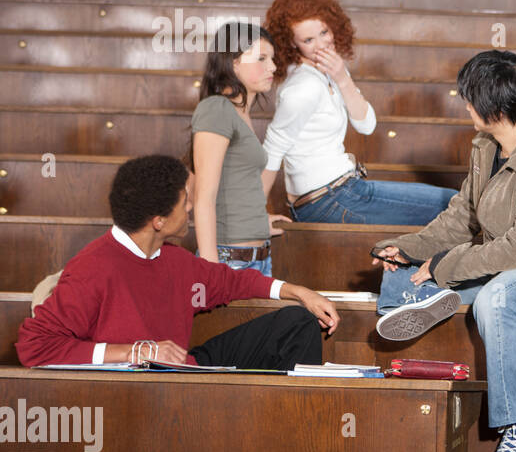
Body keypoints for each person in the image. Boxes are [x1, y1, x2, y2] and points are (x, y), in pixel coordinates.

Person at [367, 51, 516, 452]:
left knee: (495, 299)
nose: (465, 105)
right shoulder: (486, 147)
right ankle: (419, 299)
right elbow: (462, 216)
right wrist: (410, 248)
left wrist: (447, 265)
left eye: (470, 98)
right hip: (509, 258)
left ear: (500, 108)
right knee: (405, 276)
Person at [16, 155, 339, 369]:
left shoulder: (173, 259)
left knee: (295, 323)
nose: (190, 208)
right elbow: (36, 347)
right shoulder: (93, 268)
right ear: (158, 220)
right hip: (133, 387)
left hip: (180, 370)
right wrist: (137, 351)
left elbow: (231, 281)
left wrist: (299, 292)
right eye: (185, 201)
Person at [261, 0, 456, 224]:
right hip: (327, 200)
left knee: (454, 204)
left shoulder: (328, 71)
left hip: (344, 190)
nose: (321, 44)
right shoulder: (303, 87)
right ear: (292, 44)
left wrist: (342, 77)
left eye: (324, 32)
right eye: (308, 40)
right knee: (454, 205)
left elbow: (366, 124)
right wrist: (254, 216)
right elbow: (272, 149)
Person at [190, 20, 289, 276]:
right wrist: (211, 270)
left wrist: (256, 221)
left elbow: (236, 181)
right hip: (230, 261)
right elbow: (204, 198)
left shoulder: (239, 112)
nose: (273, 67)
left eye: (273, 59)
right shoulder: (217, 108)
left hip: (257, 259)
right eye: (262, 59)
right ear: (234, 62)